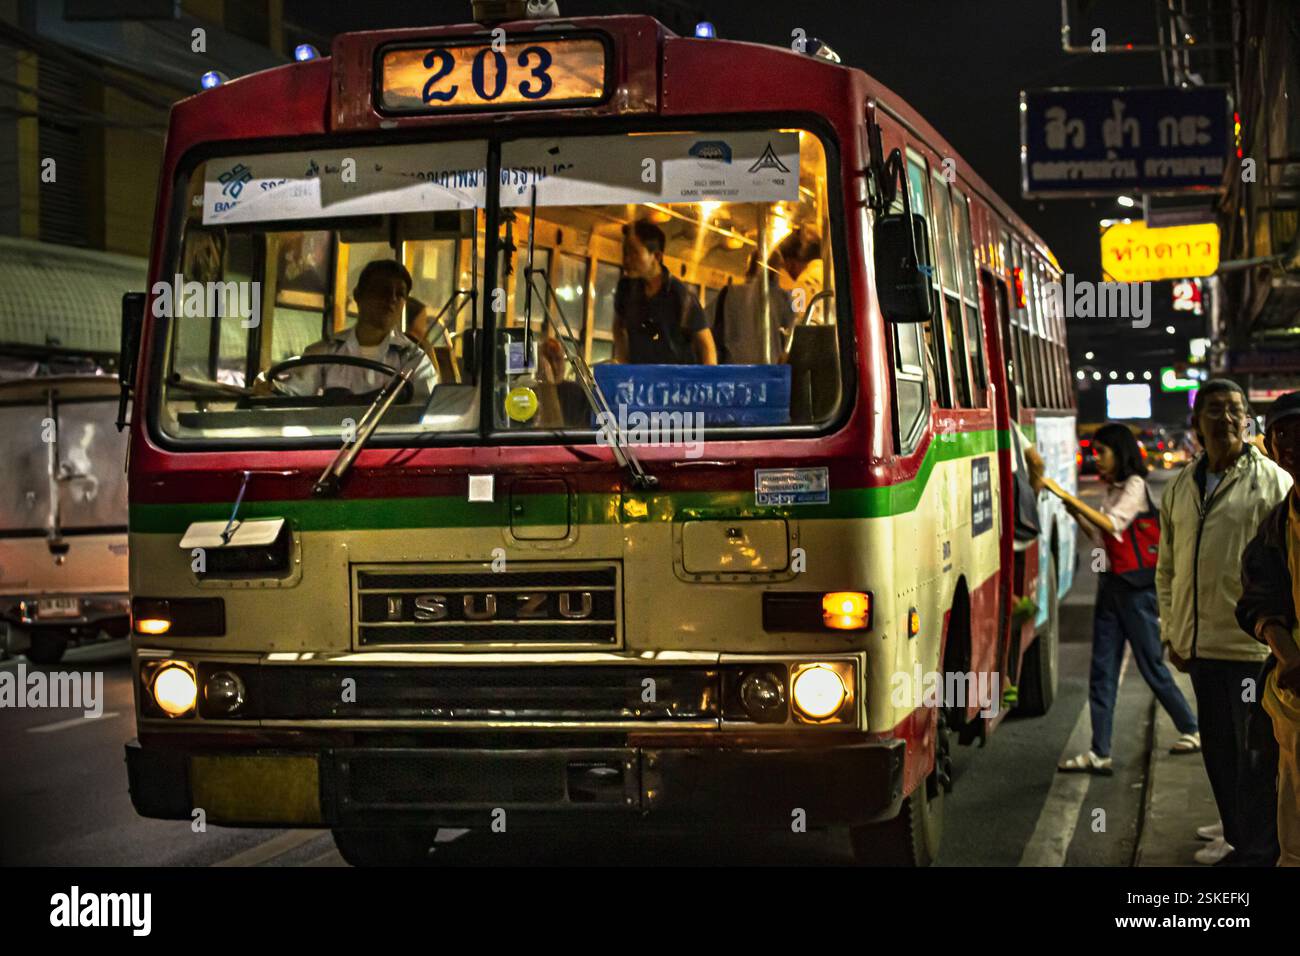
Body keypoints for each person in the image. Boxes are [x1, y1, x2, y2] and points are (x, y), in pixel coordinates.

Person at [1157, 378, 1292, 866]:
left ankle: (1259, 850)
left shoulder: (1272, 481)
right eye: (1215, 411)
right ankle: (1240, 840)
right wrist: (1171, 630)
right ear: (1197, 423)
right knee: (1218, 754)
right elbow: (1167, 567)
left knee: (1254, 758)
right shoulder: (1181, 486)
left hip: (1251, 652)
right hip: (1201, 650)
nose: (1228, 419)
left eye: (1236, 410)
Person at [1042, 424, 1200, 774]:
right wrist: (1079, 515)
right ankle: (1100, 751)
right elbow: (1102, 539)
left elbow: (1113, 525)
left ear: (1120, 452)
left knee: (1150, 665)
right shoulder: (1112, 489)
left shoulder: (1134, 487)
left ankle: (1191, 728)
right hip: (1111, 587)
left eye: (1102, 452)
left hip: (1136, 591)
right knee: (1102, 670)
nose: (1096, 458)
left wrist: (1069, 498)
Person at [1236, 389, 1300, 866]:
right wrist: (1288, 656)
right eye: (1282, 434)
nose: (1292, 444)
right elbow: (1260, 601)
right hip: (1294, 701)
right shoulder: (1278, 525)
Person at [278, 259, 437, 399]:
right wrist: (269, 389)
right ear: (358, 294)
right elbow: (292, 395)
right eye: (383, 290)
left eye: (400, 294)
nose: (392, 299)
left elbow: (427, 413)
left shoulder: (414, 360)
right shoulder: (323, 354)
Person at [612, 220, 716, 365]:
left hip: (675, 381)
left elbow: (706, 345)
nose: (626, 260)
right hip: (641, 380)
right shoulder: (625, 289)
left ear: (657, 256)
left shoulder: (681, 296)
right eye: (625, 252)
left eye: (634, 253)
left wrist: (707, 383)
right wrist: (624, 365)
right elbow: (618, 327)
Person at [713, 250, 796, 364]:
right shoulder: (785, 299)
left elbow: (714, 336)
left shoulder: (729, 292)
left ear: (749, 266)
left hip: (734, 370)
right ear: (777, 272)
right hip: (771, 370)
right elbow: (790, 339)